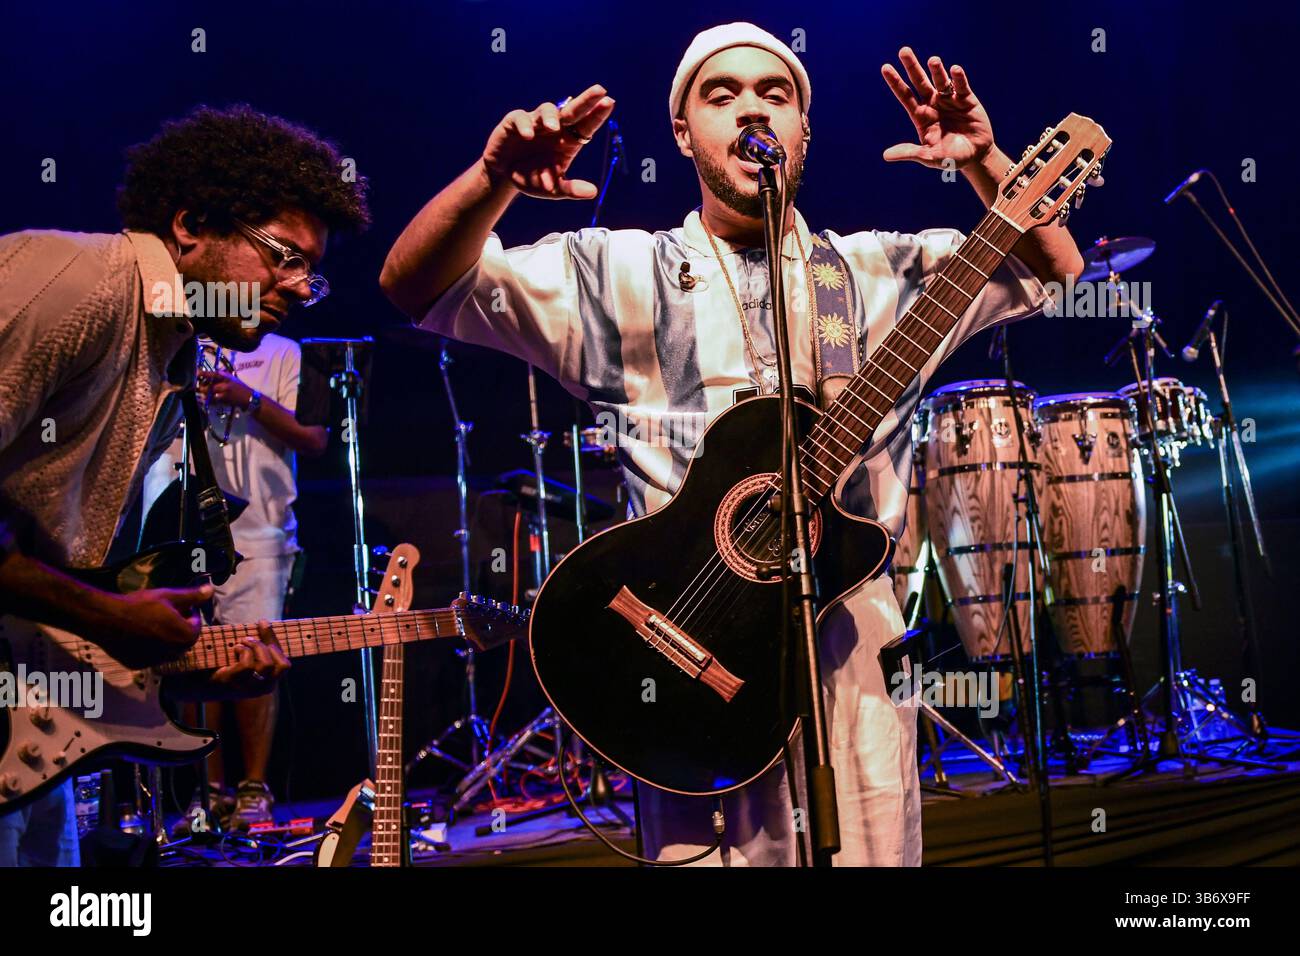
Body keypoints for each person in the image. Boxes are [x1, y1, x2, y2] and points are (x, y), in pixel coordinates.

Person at [380, 22, 1083, 865]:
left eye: (775, 93)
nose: (751, 108)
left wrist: (983, 159)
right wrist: (494, 178)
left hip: (856, 655)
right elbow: (415, 284)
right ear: (683, 133)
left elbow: (1056, 272)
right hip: (681, 657)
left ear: (803, 130)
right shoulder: (616, 274)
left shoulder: (876, 271)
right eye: (722, 95)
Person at [0, 104, 369, 866]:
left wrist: (173, 670)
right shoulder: (71, 284)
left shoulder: (169, 349)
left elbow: (46, 572)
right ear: (192, 224)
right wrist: (105, 615)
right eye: (283, 256)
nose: (300, 288)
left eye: (313, 272)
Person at [146, 331, 331, 832]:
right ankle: (207, 794)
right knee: (189, 653)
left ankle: (252, 788)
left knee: (256, 654)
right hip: (182, 527)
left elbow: (315, 437)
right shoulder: (176, 339)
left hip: (259, 531)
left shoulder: (282, 351)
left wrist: (246, 397)